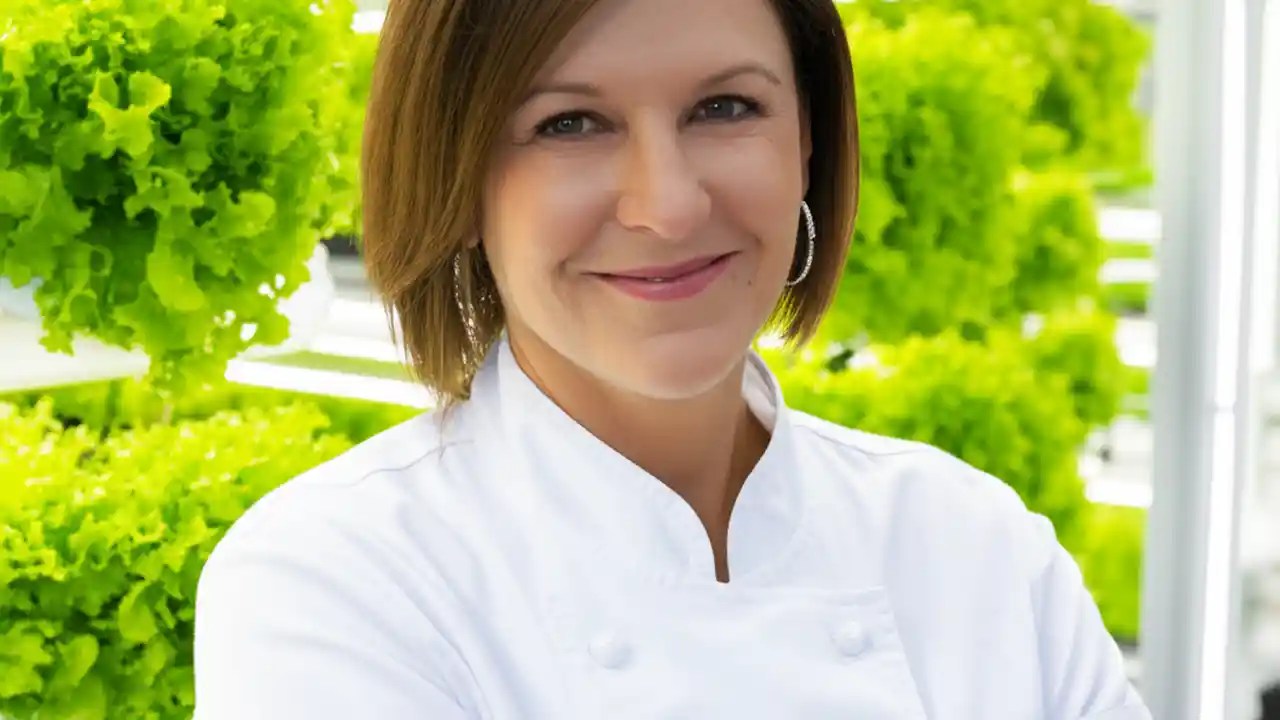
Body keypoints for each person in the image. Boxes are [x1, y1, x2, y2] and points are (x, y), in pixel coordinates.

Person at [192, 0, 1153, 717]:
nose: (669, 204)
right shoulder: (335, 580)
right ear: (457, 173)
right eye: (569, 124)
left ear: (809, 140)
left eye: (727, 108)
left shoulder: (976, 546)